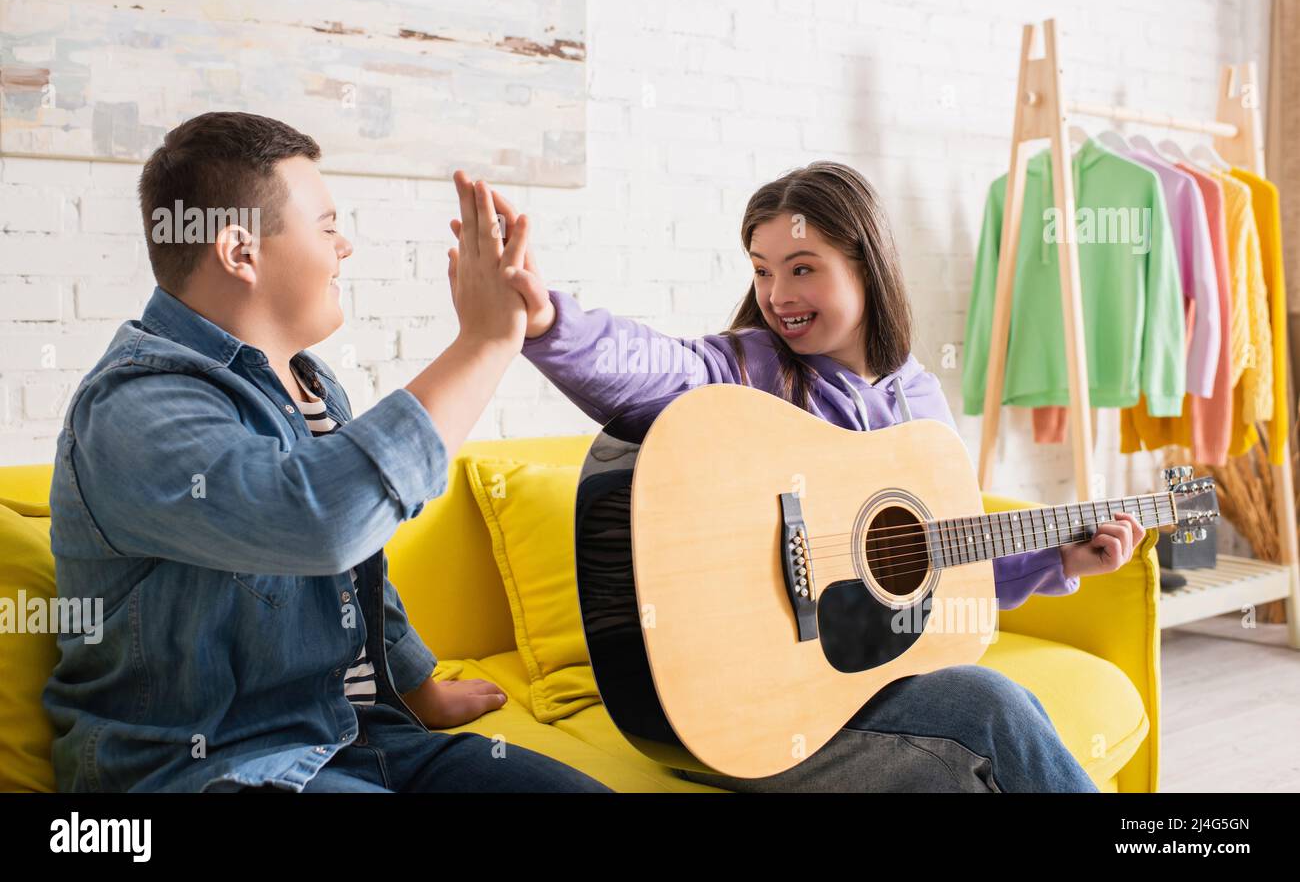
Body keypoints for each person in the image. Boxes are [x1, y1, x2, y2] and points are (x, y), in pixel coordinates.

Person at [451, 160, 1145, 792]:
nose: (778, 293)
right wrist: (544, 320)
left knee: (972, 753)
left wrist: (1059, 557)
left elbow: (933, 581)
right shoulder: (748, 371)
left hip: (864, 689)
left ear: (866, 265)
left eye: (802, 268)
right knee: (995, 707)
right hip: (748, 717)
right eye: (762, 269)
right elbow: (649, 366)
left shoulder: (921, 402)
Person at [43, 111, 612, 793]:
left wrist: (417, 682)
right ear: (240, 252)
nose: (346, 247)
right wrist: (484, 344)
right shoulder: (131, 409)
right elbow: (317, 521)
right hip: (215, 767)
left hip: (361, 735)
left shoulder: (313, 385)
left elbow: (351, 567)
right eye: (327, 225)